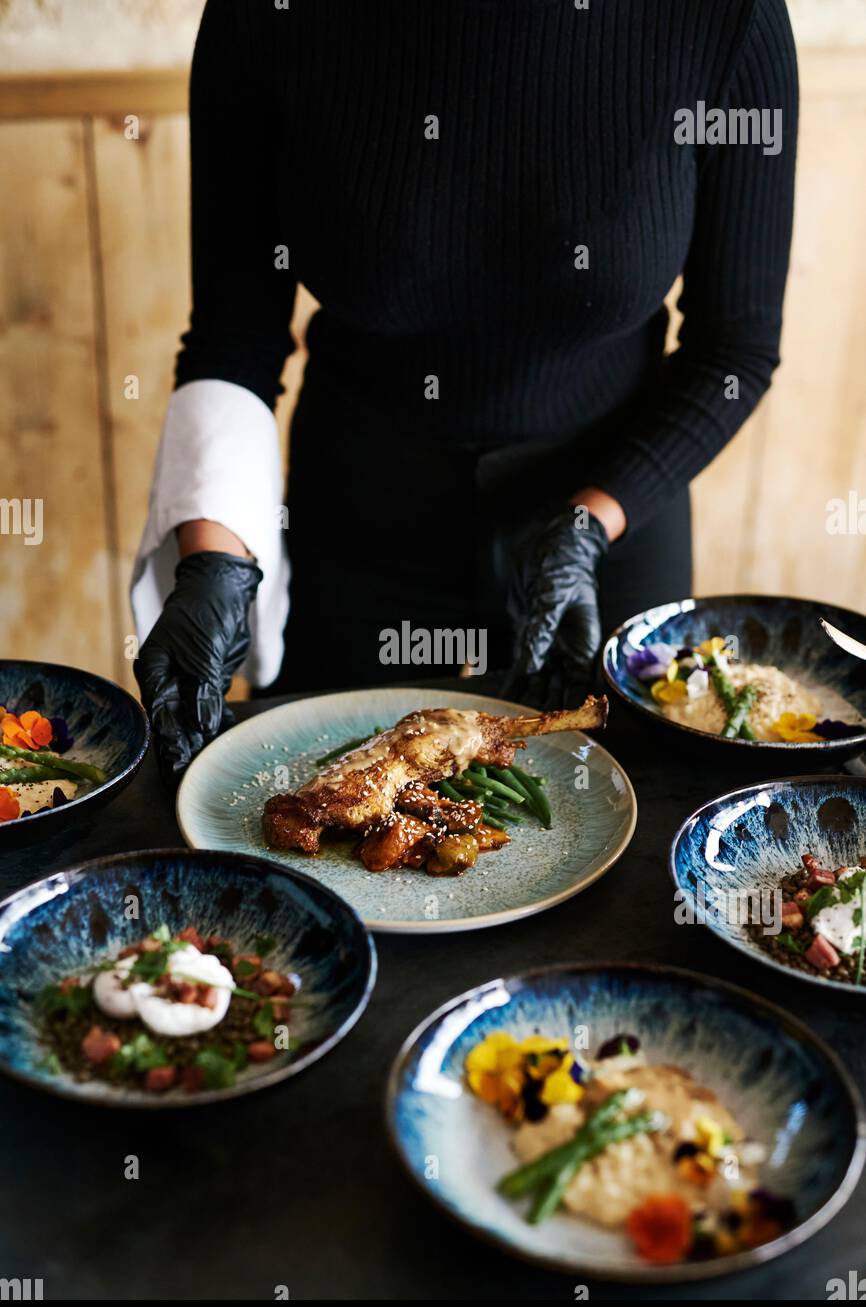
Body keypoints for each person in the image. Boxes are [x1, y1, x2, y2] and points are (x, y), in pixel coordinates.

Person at [131, 0, 798, 784]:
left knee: (621, 862)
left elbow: (734, 347)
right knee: (335, 851)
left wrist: (592, 522)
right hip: (359, 541)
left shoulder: (725, 18)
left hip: (609, 535)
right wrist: (212, 565)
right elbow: (234, 334)